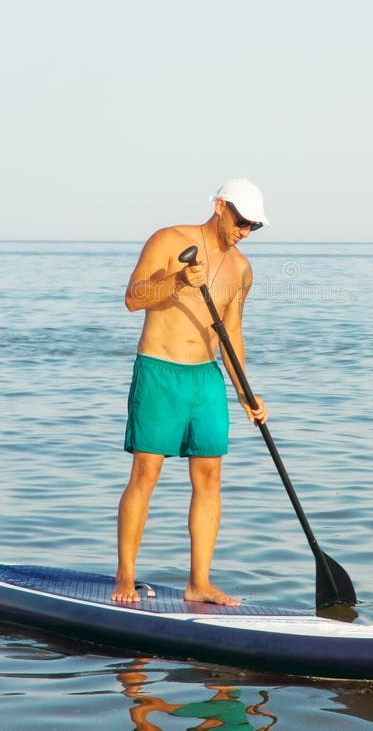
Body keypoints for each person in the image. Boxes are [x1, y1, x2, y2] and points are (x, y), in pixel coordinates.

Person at [112, 179, 269, 606]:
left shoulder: (241, 269)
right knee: (146, 474)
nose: (244, 231)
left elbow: (232, 333)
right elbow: (133, 298)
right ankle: (125, 577)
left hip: (207, 378)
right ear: (220, 206)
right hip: (160, 371)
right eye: (241, 221)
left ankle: (199, 581)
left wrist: (245, 393)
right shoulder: (169, 239)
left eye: (253, 226)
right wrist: (179, 279)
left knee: (210, 479)